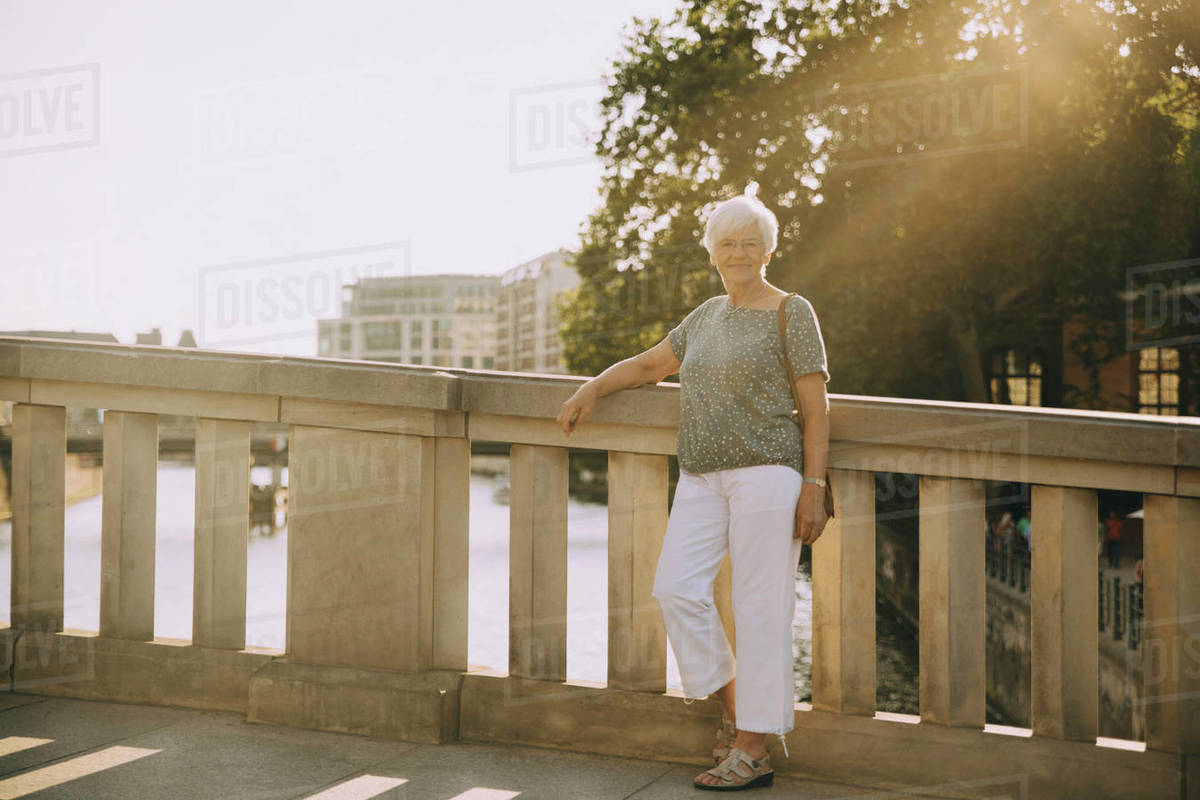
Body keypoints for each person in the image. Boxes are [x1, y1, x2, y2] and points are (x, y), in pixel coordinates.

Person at [556, 195, 831, 791]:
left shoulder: (792, 311)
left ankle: (753, 750)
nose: (739, 253)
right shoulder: (705, 317)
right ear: (712, 253)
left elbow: (816, 410)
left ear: (768, 250)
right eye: (728, 243)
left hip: (768, 474)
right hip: (702, 476)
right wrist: (591, 388)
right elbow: (648, 365)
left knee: (761, 607)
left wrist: (814, 485)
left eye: (750, 243)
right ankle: (735, 710)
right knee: (676, 588)